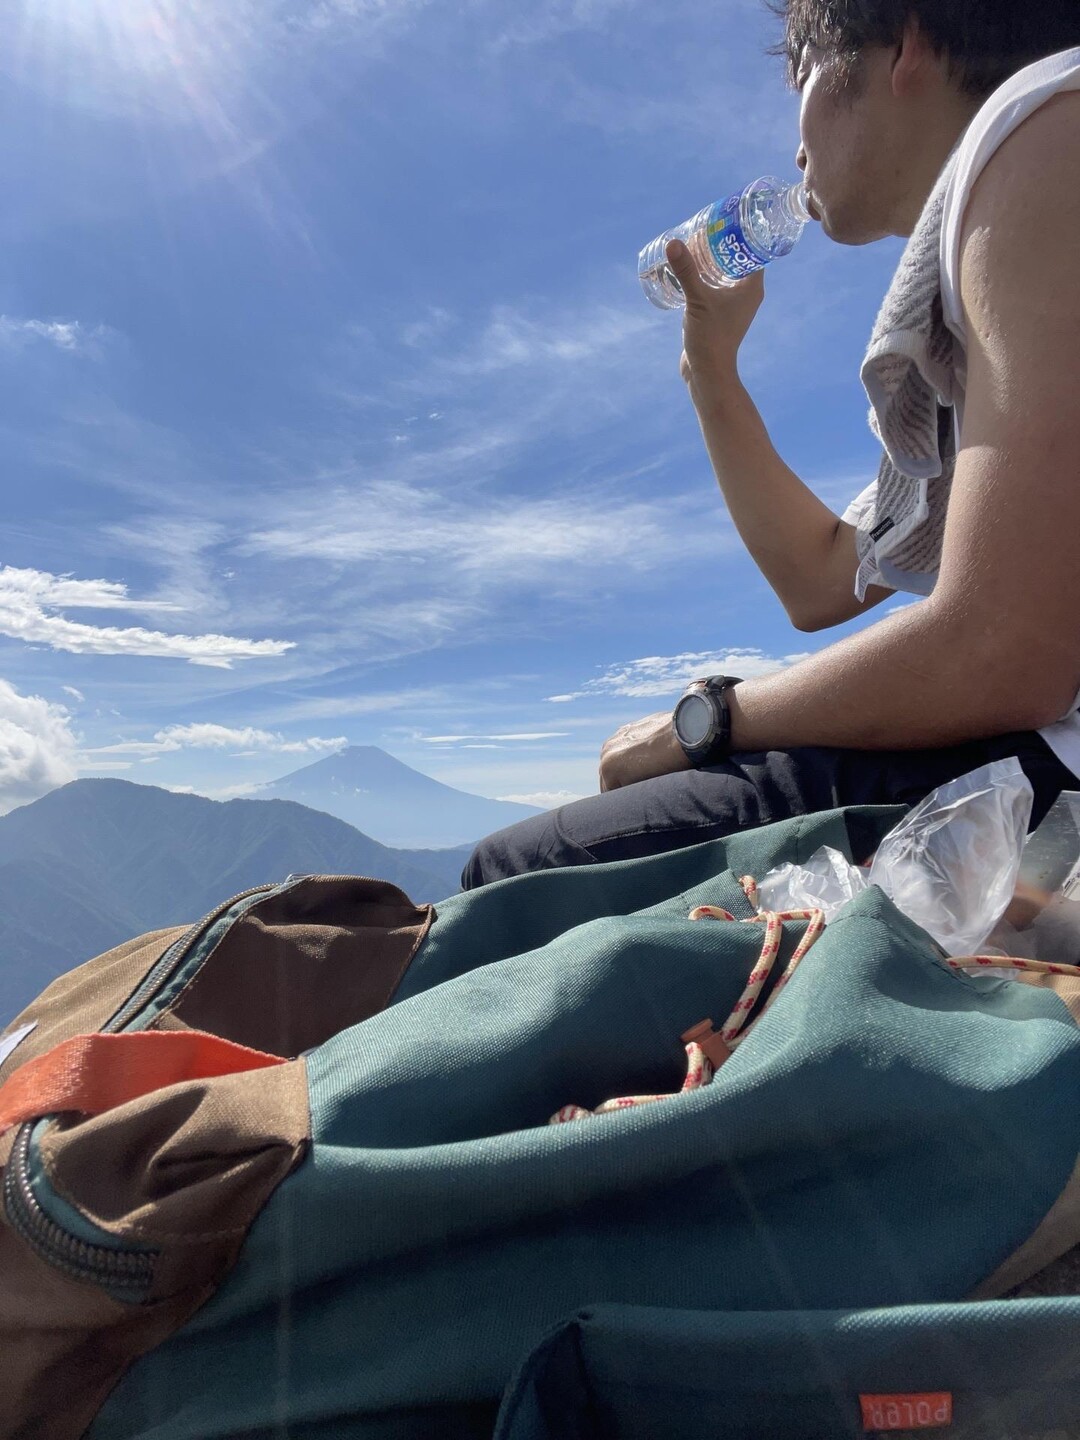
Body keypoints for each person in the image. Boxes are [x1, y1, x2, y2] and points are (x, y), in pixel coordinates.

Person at [463, 2, 1080, 890]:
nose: (794, 150)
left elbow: (1001, 650)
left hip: (1053, 772)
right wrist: (709, 367)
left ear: (904, 44)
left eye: (805, 81)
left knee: (520, 871)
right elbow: (821, 577)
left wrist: (711, 718)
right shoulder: (1017, 188)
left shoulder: (1043, 134)